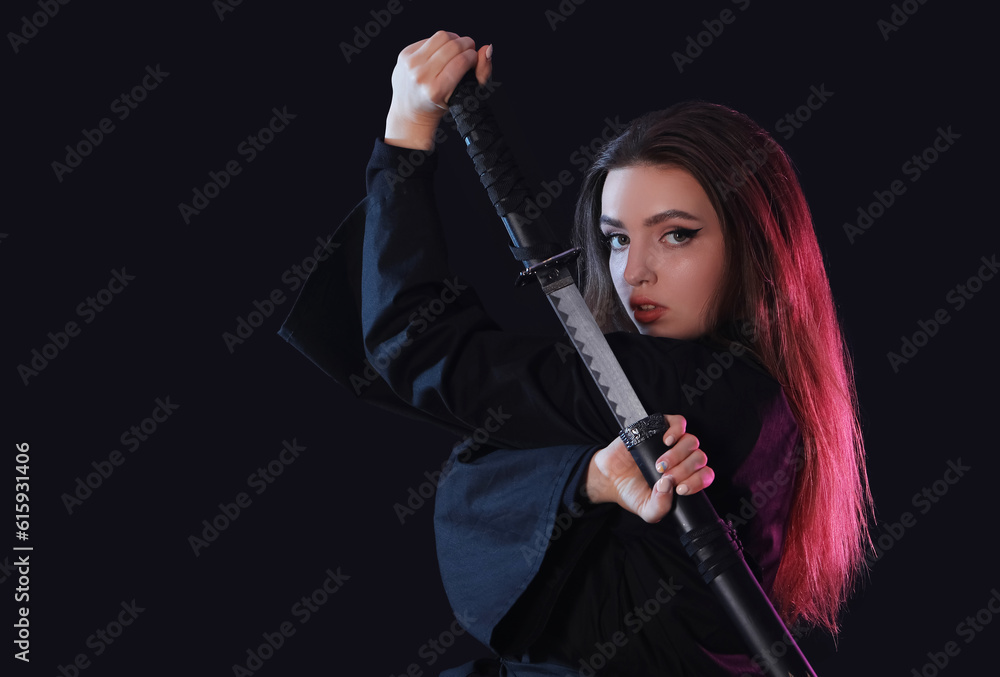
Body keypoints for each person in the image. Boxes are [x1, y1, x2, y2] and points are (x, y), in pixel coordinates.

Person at [278, 31, 872, 676]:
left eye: (677, 235)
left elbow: (421, 350)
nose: (634, 272)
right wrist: (589, 480)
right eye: (616, 240)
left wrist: (406, 136)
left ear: (755, 245)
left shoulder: (690, 384)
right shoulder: (755, 393)